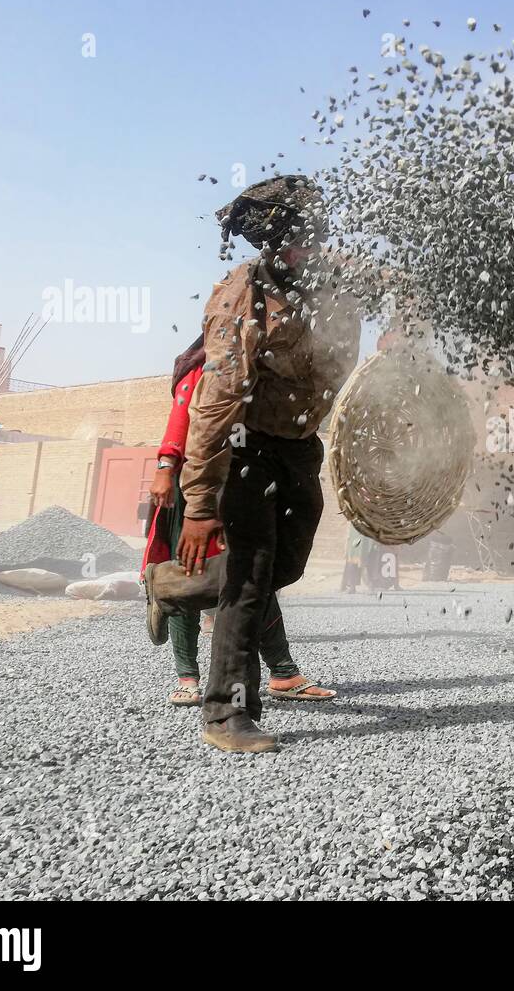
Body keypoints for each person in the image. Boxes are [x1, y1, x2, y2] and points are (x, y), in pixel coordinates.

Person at [166, 175, 360, 753]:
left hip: (300, 446)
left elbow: (390, 284)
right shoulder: (240, 296)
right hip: (248, 447)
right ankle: (227, 714)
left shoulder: (332, 280)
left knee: (286, 565)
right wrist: (199, 507)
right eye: (294, 244)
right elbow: (215, 405)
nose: (306, 252)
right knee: (251, 576)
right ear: (272, 247)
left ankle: (176, 587)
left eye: (312, 241)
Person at [147, 339, 337, 708]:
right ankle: (187, 676)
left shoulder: (258, 368)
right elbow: (185, 416)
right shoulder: (208, 363)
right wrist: (167, 467)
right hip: (196, 487)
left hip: (240, 483)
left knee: (256, 571)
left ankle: (282, 672)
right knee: (198, 564)